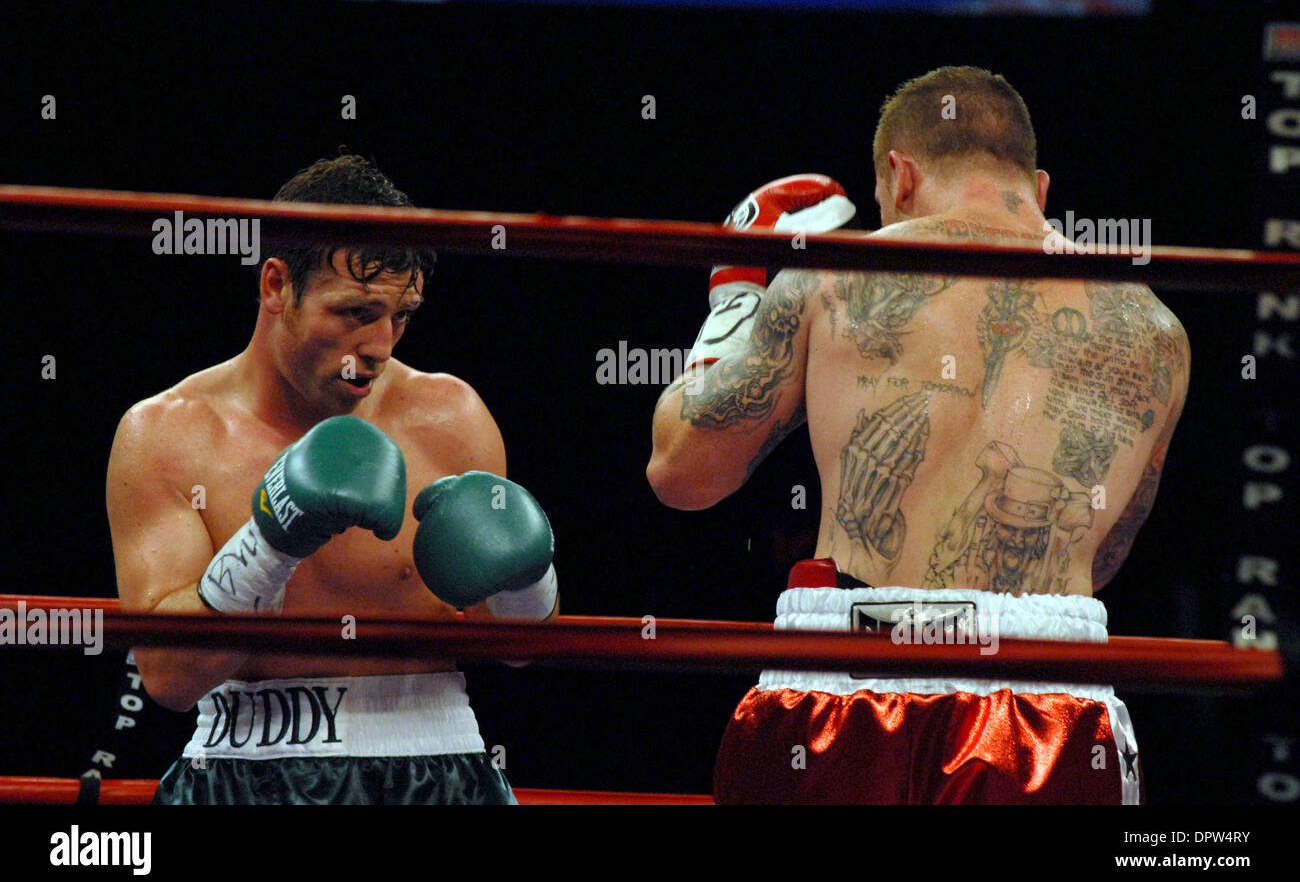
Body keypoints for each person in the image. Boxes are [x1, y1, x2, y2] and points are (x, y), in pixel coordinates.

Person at [648, 66, 1189, 803]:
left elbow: (681, 473)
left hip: (847, 681)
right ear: (1039, 190)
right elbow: (1104, 554)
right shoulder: (1154, 332)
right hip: (1045, 702)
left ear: (900, 178)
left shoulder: (838, 273)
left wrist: (736, 292)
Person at [109, 154, 558, 804]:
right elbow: (170, 678)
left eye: (401, 316)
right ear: (275, 286)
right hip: (242, 767)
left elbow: (523, 648)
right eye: (356, 312)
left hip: (436, 762)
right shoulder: (167, 435)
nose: (381, 345)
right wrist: (270, 541)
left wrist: (528, 575)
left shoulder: (449, 418)